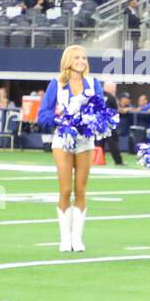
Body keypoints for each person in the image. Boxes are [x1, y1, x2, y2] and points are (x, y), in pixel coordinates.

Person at [37, 45, 105, 253]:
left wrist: (90, 120)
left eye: (84, 58)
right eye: (77, 57)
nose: (81, 61)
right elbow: (43, 115)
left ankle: (77, 238)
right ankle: (65, 238)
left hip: (85, 141)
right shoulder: (56, 84)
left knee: (81, 189)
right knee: (65, 189)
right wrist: (62, 120)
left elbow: (102, 111)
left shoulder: (93, 83)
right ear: (68, 60)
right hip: (63, 140)